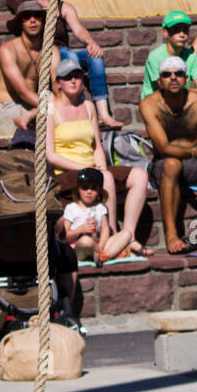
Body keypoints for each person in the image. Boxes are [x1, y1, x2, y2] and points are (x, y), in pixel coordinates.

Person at [3, 0, 121, 128]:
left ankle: (103, 114)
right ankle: (75, 109)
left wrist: (90, 42)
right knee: (70, 56)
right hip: (44, 55)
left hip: (64, 52)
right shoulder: (29, 8)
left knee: (94, 57)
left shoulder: (63, 7)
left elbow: (79, 30)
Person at [47, 57, 148, 258]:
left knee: (139, 176)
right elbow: (50, 155)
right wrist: (85, 169)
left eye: (77, 77)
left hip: (91, 168)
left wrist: (101, 167)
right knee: (106, 177)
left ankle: (130, 235)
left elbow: (96, 147)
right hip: (66, 172)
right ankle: (113, 235)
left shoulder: (89, 106)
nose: (73, 81)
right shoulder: (50, 109)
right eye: (68, 78)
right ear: (59, 83)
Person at [140, 56, 197, 254]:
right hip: (164, 164)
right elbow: (162, 148)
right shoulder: (149, 105)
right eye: (167, 74)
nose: (173, 78)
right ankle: (171, 233)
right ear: (159, 81)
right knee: (172, 164)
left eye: (178, 73)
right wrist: (192, 151)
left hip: (194, 163)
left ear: (186, 78)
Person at [0, 0, 45, 139]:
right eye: (26, 17)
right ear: (20, 22)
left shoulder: (51, 51)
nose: (32, 21)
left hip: (35, 109)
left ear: (44, 20)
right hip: (7, 108)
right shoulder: (8, 49)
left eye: (37, 16)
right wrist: (55, 105)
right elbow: (23, 92)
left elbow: (58, 87)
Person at [56, 166, 130, 265]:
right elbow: (64, 236)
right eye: (85, 187)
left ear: (99, 191)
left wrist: (100, 246)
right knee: (86, 241)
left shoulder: (100, 208)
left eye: (94, 188)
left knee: (126, 233)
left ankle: (103, 256)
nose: (89, 191)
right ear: (78, 189)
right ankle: (109, 254)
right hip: (79, 249)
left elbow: (105, 231)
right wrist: (80, 230)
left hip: (97, 245)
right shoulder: (71, 208)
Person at [141, 11, 197, 98]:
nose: (182, 35)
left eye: (185, 30)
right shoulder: (155, 56)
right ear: (165, 32)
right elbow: (165, 89)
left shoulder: (191, 55)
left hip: (181, 100)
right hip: (156, 102)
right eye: (176, 30)